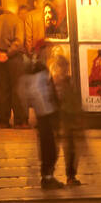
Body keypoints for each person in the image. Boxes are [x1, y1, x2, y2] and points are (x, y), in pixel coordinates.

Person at [24, 47, 63, 188]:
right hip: (46, 114)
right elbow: (43, 93)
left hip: (44, 114)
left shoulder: (35, 70)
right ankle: (47, 177)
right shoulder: (40, 71)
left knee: (48, 147)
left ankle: (48, 176)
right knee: (49, 148)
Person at [0, 0, 26, 127]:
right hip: (14, 59)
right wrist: (8, 54)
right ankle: (19, 121)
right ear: (15, 8)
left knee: (2, 90)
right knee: (17, 89)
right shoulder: (17, 21)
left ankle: (3, 120)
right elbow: (19, 42)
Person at [50, 50, 81, 184]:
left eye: (65, 68)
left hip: (66, 120)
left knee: (69, 149)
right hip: (61, 120)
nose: (65, 71)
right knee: (61, 149)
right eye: (62, 67)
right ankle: (61, 176)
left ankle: (69, 176)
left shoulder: (66, 83)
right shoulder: (57, 83)